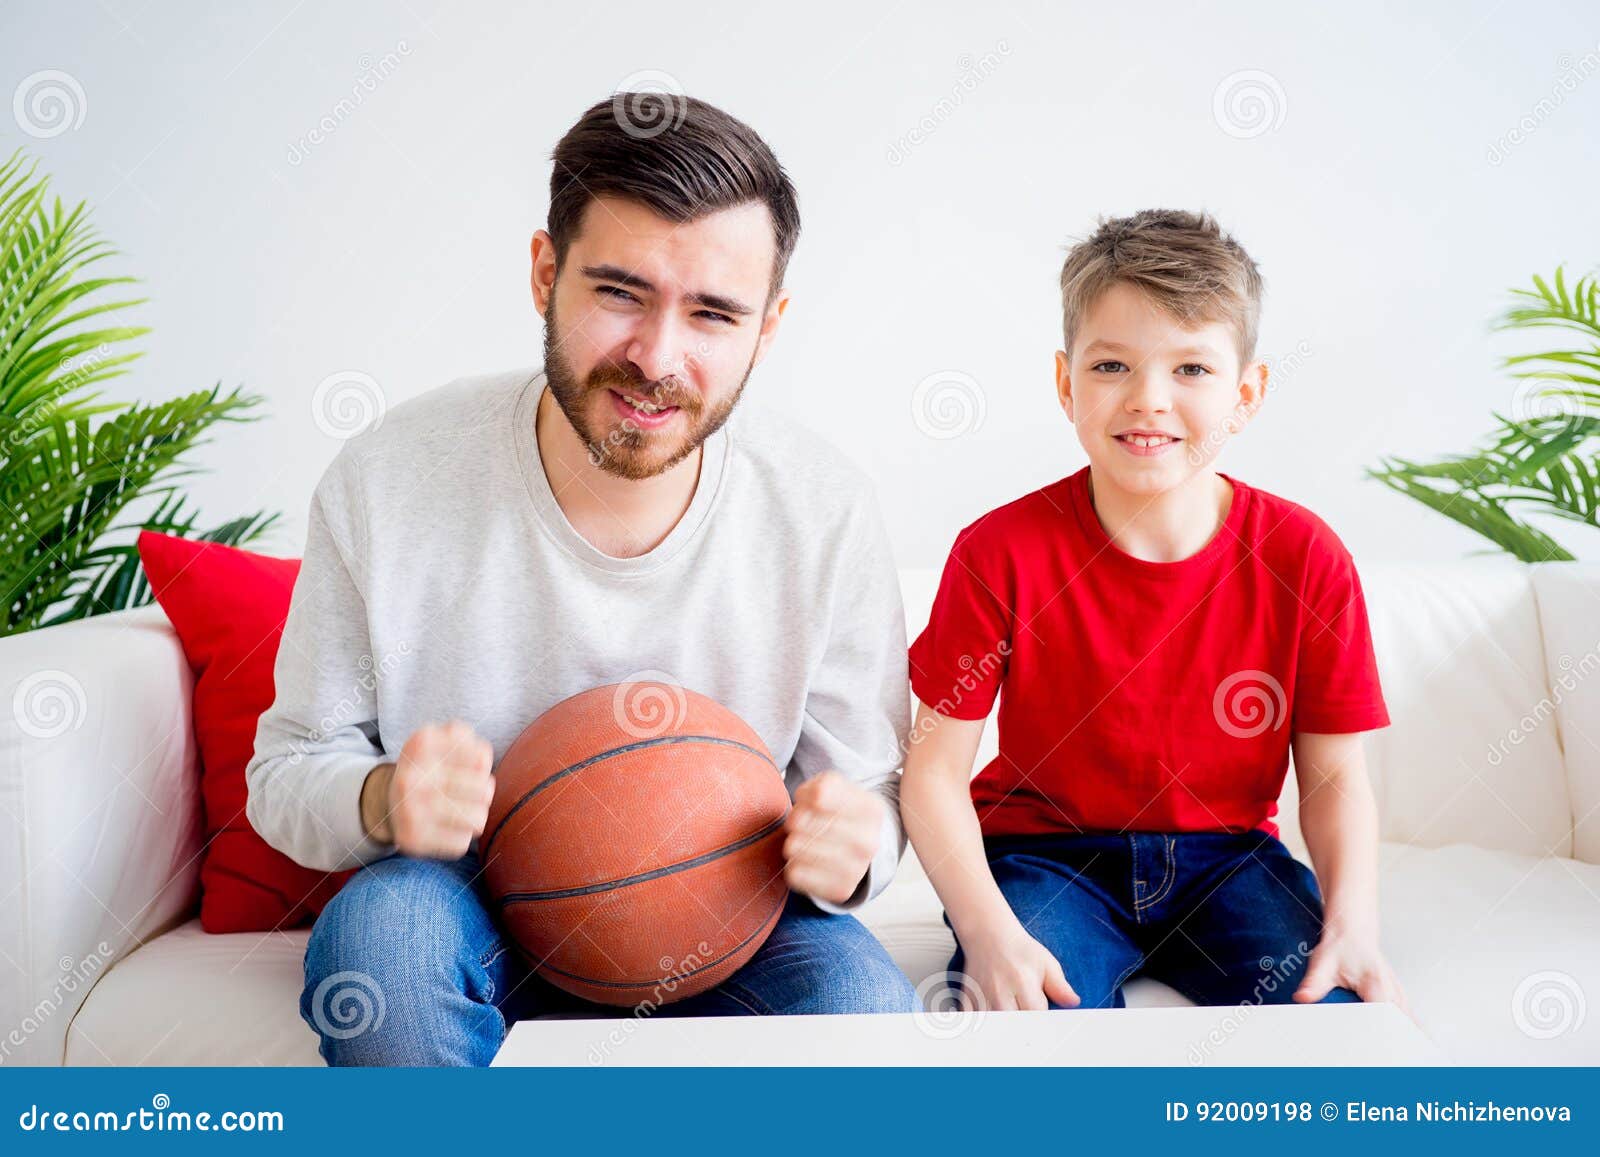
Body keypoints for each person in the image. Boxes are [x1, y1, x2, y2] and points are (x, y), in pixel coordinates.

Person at [246, 92, 917, 1067]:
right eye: (619, 293)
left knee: (866, 1005)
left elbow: (869, 793)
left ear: (768, 328)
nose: (657, 357)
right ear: (544, 274)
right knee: (382, 949)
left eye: (713, 314)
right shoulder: (389, 477)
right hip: (467, 893)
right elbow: (287, 769)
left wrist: (855, 848)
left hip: (724, 908)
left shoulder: (825, 510)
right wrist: (384, 798)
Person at [901, 209, 1408, 1014]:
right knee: (1032, 1018)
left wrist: (1354, 923)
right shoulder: (997, 551)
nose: (1148, 400)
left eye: (1192, 369)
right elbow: (932, 774)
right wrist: (989, 932)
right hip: (1048, 859)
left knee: (1327, 1017)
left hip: (1231, 862)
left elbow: (1335, 775)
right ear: (1066, 383)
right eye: (1112, 365)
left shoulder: (1306, 556)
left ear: (1246, 394)